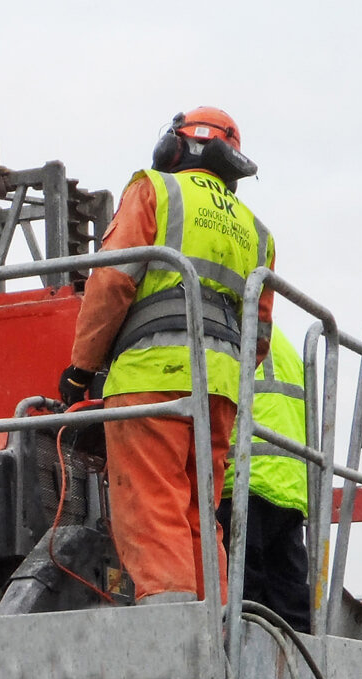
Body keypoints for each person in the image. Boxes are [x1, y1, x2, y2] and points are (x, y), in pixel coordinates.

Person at [57, 106, 274, 604]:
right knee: (200, 513)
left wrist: (80, 368)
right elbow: (257, 336)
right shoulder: (257, 232)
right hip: (220, 392)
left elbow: (112, 280)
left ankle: (175, 644)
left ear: (178, 147)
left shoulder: (154, 190)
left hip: (149, 382)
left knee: (152, 505)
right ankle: (217, 631)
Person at [218, 324, 313, 631]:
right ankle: (299, 668)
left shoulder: (227, 332)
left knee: (242, 597)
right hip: (290, 488)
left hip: (243, 480)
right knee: (288, 602)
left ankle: (239, 672)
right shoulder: (283, 343)